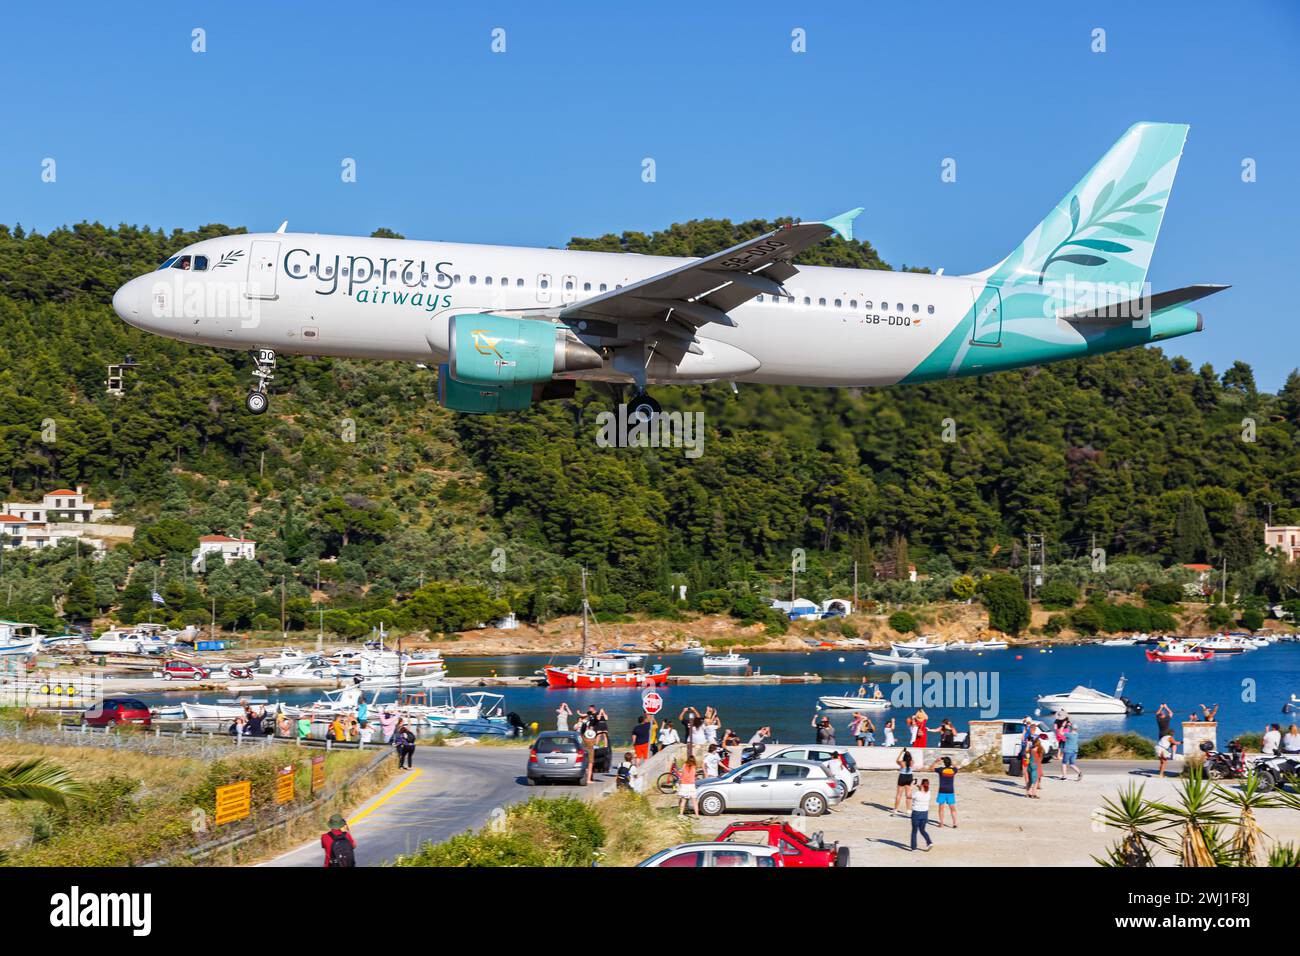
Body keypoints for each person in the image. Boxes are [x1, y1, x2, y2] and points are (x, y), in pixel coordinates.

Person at [928, 756, 958, 828]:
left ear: (944, 763)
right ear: (950, 763)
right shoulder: (953, 770)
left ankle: (941, 823)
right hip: (950, 791)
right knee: (952, 808)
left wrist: (936, 761)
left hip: (942, 790)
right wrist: (952, 763)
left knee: (941, 807)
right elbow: (956, 767)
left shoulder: (941, 770)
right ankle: (954, 823)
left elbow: (931, 768)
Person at [909, 779, 933, 851]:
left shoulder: (916, 794)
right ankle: (929, 842)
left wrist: (911, 786)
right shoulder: (928, 793)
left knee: (914, 831)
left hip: (916, 813)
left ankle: (914, 847)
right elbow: (923, 788)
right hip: (924, 813)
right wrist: (917, 785)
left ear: (922, 785)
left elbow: (908, 796)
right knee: (922, 830)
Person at [893, 748, 914, 814]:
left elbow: (896, 760)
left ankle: (896, 809)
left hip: (902, 777)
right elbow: (911, 759)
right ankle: (908, 809)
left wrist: (902, 752)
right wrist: (908, 754)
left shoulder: (902, 762)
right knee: (908, 794)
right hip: (909, 777)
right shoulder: (912, 762)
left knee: (899, 794)